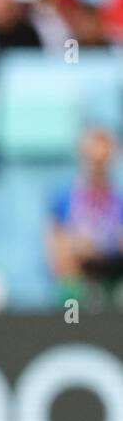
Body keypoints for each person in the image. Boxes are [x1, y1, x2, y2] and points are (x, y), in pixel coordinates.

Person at [47, 128, 123, 306]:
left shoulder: (118, 201)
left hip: (114, 277)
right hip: (80, 281)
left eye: (103, 161)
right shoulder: (65, 198)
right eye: (94, 161)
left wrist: (104, 249)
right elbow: (58, 258)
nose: (98, 167)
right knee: (73, 295)